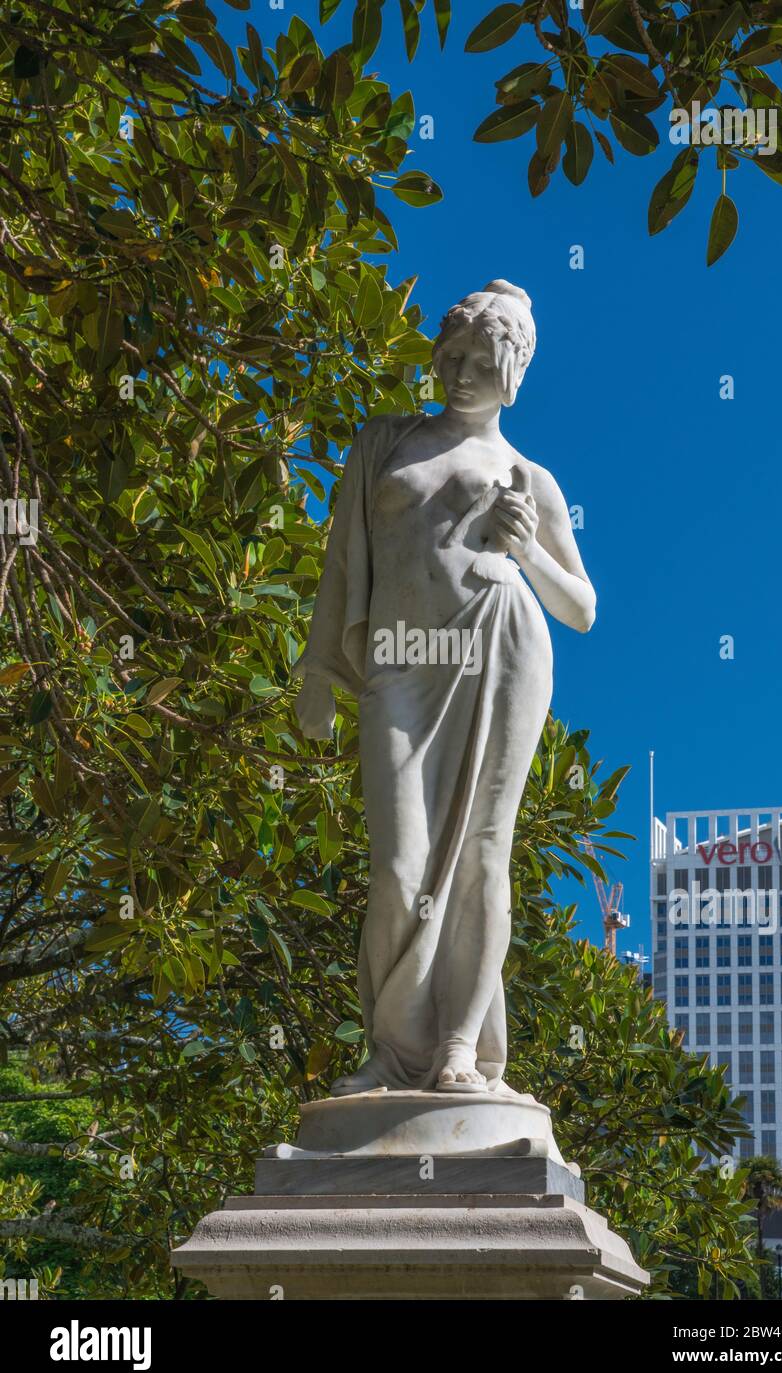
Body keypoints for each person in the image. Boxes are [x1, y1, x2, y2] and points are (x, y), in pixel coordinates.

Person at [295, 280, 596, 1095]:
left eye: (483, 363)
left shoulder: (527, 476)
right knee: (398, 866)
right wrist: (321, 665)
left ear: (515, 374)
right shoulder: (382, 444)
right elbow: (339, 563)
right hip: (397, 660)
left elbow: (582, 609)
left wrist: (528, 551)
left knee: (481, 853)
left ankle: (460, 1048)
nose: (462, 374)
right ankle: (392, 1054)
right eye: (452, 356)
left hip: (499, 647)